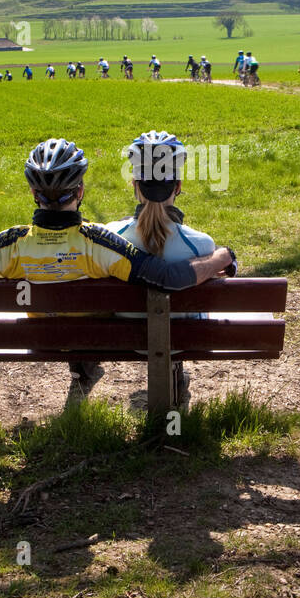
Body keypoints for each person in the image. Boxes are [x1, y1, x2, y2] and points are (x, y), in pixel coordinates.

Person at [0, 138, 237, 406]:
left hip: (47, 341)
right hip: (102, 338)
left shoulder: (10, 245)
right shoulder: (101, 244)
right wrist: (222, 258)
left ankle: (81, 374)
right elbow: (169, 279)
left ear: (34, 194)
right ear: (80, 191)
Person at [105, 131, 219, 411]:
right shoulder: (202, 245)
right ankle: (175, 373)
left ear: (135, 185)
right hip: (184, 341)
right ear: (178, 186)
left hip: (128, 340)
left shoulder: (108, 237)